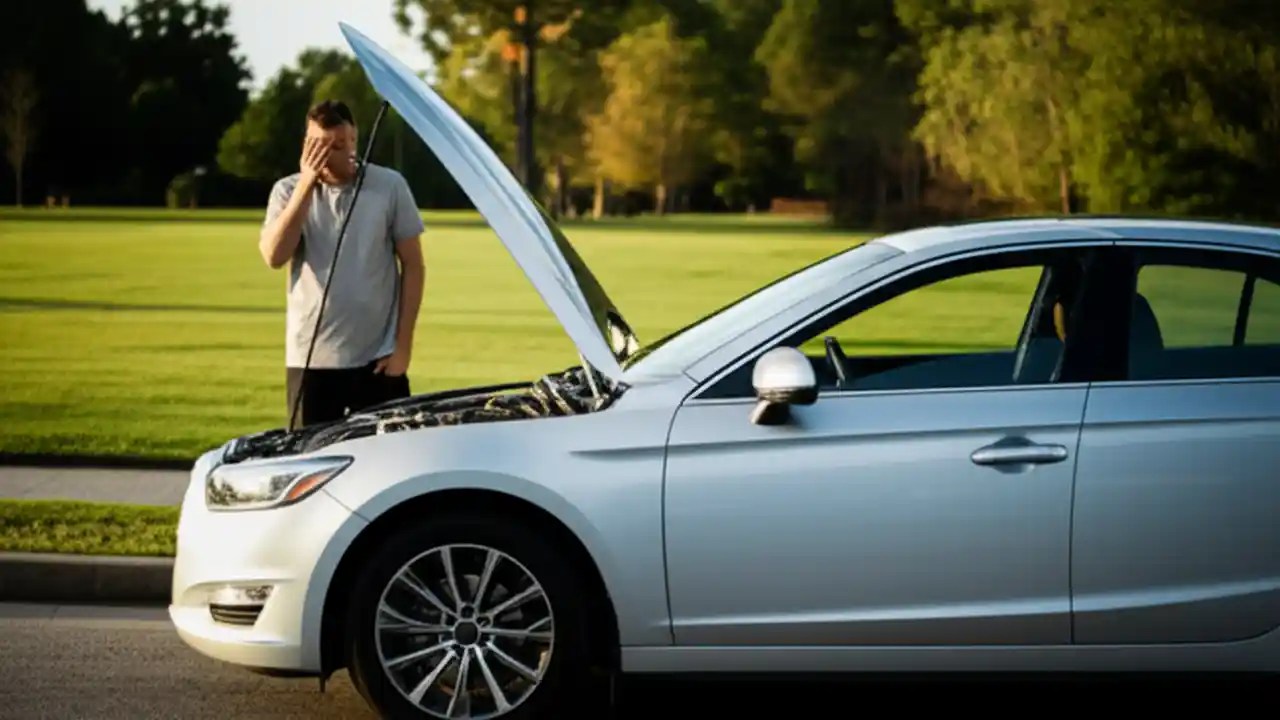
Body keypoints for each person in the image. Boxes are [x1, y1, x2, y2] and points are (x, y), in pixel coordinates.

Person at [259, 99, 426, 429]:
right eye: (335, 146)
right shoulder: (287, 191)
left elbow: (414, 265)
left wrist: (402, 347)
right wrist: (307, 184)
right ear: (310, 148)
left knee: (391, 456)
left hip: (379, 361)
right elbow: (275, 256)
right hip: (311, 361)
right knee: (314, 458)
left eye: (351, 140)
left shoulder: (390, 186)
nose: (349, 152)